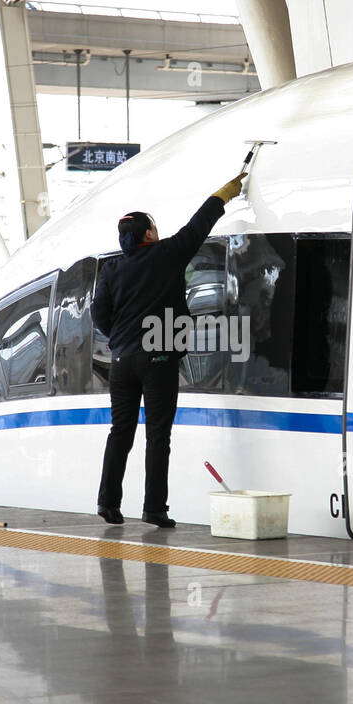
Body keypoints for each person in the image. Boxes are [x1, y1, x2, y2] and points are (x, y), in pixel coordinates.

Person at [92, 172, 246, 526]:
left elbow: (99, 314)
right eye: (154, 227)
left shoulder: (113, 269)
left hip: (122, 361)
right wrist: (224, 194)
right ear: (148, 233)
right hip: (159, 356)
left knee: (120, 432)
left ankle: (108, 503)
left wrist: (122, 338)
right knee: (157, 435)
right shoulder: (167, 254)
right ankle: (153, 508)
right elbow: (199, 226)